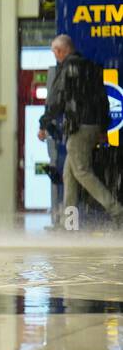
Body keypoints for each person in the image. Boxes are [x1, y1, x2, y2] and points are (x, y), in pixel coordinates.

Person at [39, 34, 123, 228]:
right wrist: (102, 127)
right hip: (93, 127)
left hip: (78, 128)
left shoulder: (67, 68)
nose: (55, 56)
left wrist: (44, 124)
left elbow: (56, 99)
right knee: (70, 174)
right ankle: (69, 224)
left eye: (55, 52)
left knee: (82, 172)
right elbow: (103, 100)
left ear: (62, 51)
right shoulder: (92, 67)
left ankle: (118, 212)